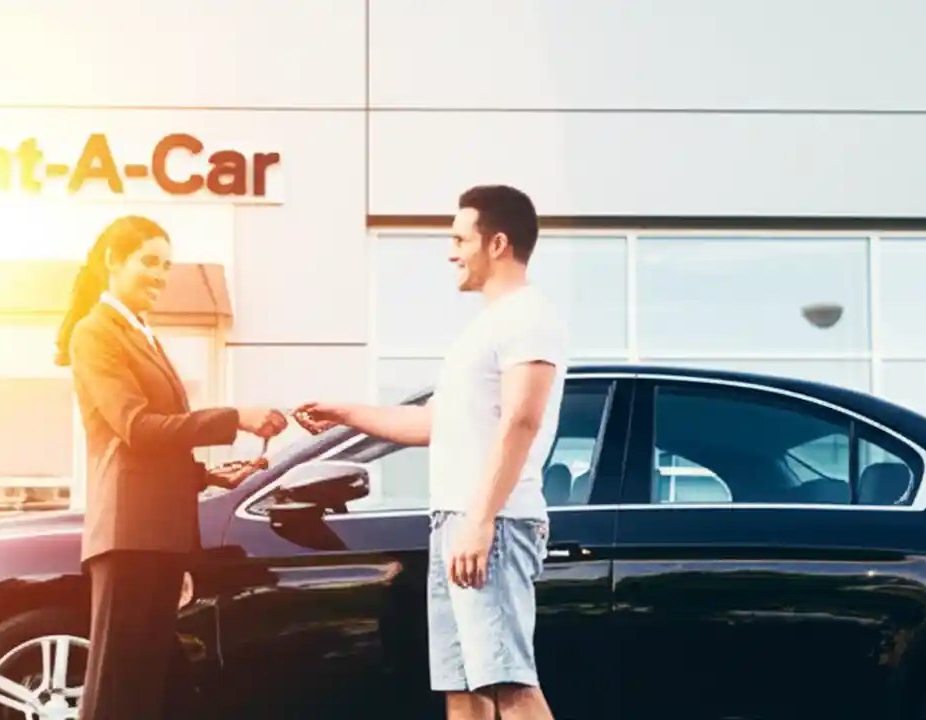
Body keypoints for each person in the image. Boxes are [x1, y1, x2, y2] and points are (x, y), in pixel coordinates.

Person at [297, 185, 565, 720]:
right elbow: (430, 423)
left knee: (508, 683)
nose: (451, 252)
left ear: (498, 244)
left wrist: (481, 519)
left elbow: (523, 418)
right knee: (463, 690)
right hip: (456, 521)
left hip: (494, 523)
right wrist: (346, 412)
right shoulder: (484, 328)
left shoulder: (528, 316)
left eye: (460, 238)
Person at [55, 215, 287, 719]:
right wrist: (235, 418)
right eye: (148, 262)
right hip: (129, 535)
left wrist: (208, 476)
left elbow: (151, 449)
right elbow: (136, 428)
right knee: (120, 691)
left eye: (166, 265)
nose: (159, 275)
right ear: (114, 261)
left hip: (158, 535)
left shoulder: (141, 334)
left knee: (159, 689)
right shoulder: (96, 333)